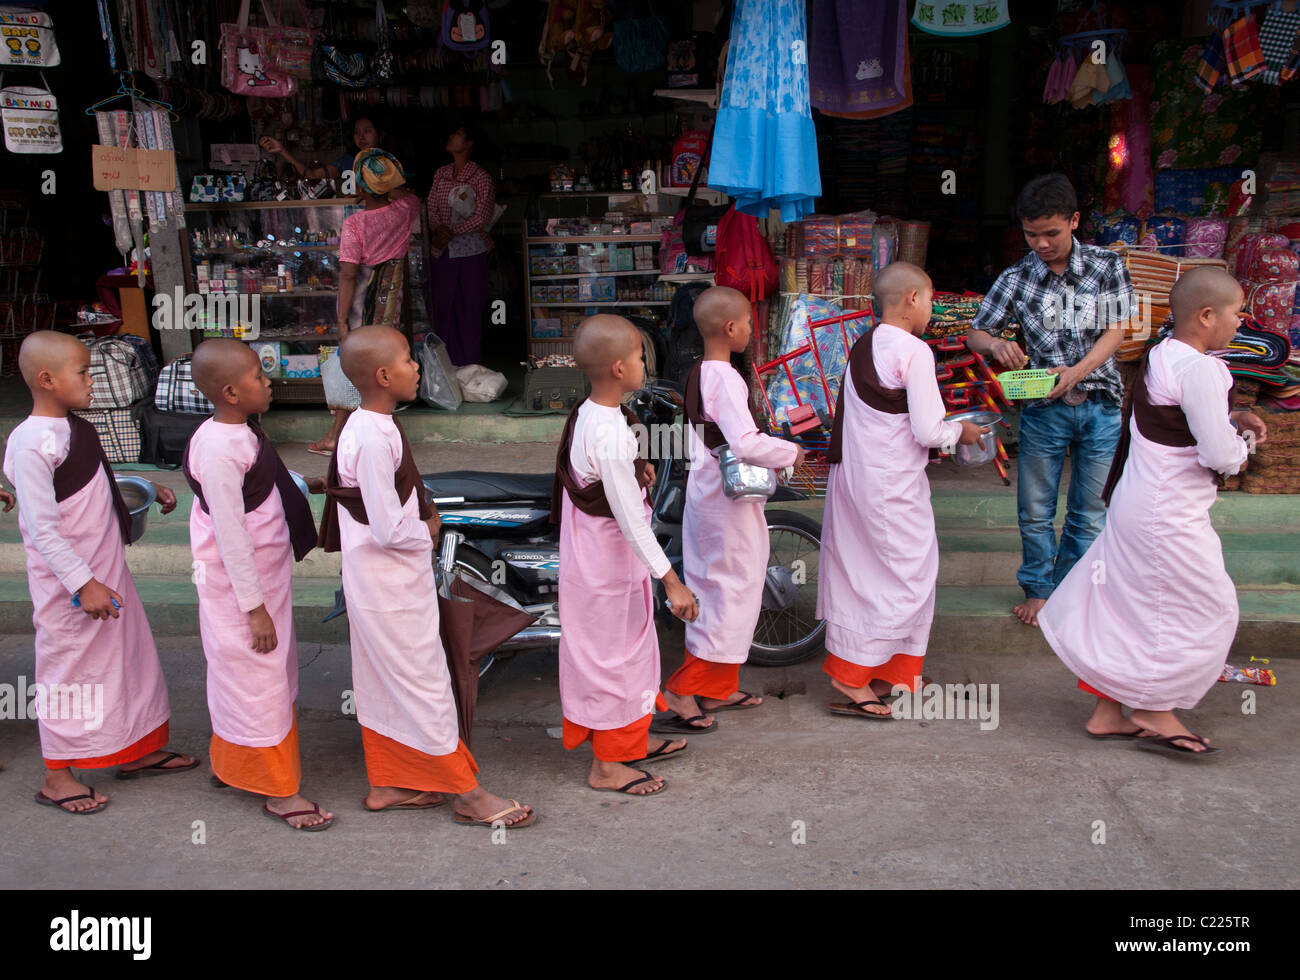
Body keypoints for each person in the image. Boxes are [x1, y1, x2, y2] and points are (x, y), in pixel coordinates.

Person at [1039, 268, 1266, 755]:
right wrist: (1241, 440)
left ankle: (1107, 714)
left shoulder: (1163, 355)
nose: (1241, 321)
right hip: (1169, 515)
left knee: (1129, 607)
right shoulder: (1202, 368)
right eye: (1235, 312)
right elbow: (1221, 456)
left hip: (1136, 503)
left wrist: (1229, 418)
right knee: (1205, 607)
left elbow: (1187, 416)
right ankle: (1153, 706)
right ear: (1206, 316)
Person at [318, 325, 535, 827]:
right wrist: (430, 529)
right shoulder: (372, 435)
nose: (418, 369)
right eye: (409, 361)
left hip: (376, 580)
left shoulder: (365, 424)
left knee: (381, 681)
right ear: (382, 374)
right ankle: (467, 792)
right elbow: (390, 529)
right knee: (425, 683)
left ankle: (388, 784)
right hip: (388, 582)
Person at [4, 332, 196, 814]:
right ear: (47, 380)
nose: (95, 382)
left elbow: (94, 479)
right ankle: (56, 774)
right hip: (72, 585)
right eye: (85, 373)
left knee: (128, 659)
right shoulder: (30, 444)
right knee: (69, 670)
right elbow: (43, 530)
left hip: (105, 570)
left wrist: (147, 484)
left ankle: (135, 749)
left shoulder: (73, 426)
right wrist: (82, 583)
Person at [817, 264, 989, 718]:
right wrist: (964, 431)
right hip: (890, 483)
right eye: (931, 300)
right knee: (908, 575)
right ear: (913, 298)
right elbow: (930, 430)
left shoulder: (864, 342)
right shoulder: (914, 350)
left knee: (869, 574)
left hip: (855, 478)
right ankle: (850, 675)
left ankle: (891, 670)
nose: (932, 310)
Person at [967, 173, 1135, 627]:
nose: (1040, 243)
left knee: (1090, 509)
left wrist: (1078, 371)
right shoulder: (1016, 277)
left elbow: (1117, 330)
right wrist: (994, 346)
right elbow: (976, 330)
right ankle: (1041, 592)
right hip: (1042, 411)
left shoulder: (1106, 265)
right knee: (1036, 509)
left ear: (1075, 221)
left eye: (1051, 233)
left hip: (1101, 404)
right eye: (1030, 234)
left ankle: (1075, 593)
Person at [184, 340, 334, 830]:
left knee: (248, 675)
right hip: (241, 591)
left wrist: (296, 481)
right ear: (230, 391)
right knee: (258, 681)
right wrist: (254, 608)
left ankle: (236, 766)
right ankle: (278, 789)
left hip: (264, 579)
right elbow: (230, 532)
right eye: (257, 375)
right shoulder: (218, 449)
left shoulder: (239, 433)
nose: (268, 380)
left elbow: (260, 482)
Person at [555, 315, 699, 794]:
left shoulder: (590, 412)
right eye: (640, 357)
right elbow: (630, 518)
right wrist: (671, 579)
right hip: (608, 560)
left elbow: (607, 481)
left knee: (629, 653)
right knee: (615, 659)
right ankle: (608, 765)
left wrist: (638, 470)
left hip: (594, 553)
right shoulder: (612, 432)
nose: (644, 364)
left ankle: (631, 743)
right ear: (619, 368)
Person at [656, 286, 803, 734]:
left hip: (712, 492)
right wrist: (789, 451)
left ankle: (718, 688)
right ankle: (684, 689)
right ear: (731, 327)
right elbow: (744, 443)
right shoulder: (723, 376)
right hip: (724, 502)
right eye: (749, 323)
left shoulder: (701, 369)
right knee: (729, 595)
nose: (753, 329)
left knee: (727, 591)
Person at [311, 147, 420, 457]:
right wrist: (381, 182)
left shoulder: (356, 225)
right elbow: (404, 194)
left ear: (360, 185)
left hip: (361, 303)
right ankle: (365, 431)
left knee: (355, 367)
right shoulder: (406, 208)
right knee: (378, 368)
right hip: (389, 305)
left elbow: (347, 276)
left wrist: (342, 321)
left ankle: (337, 433)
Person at [426, 122, 496, 365]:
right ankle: (443, 367)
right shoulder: (440, 174)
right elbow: (431, 207)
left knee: (469, 310)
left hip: (471, 253)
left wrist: (451, 231)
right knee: (442, 309)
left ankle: (469, 365)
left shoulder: (481, 178)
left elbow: (482, 217)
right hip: (442, 251)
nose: (451, 137)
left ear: (468, 144)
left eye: (457, 134)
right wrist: (439, 229)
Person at [258, 116, 388, 182]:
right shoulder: (348, 161)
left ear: (380, 135)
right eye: (357, 132)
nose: (361, 137)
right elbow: (312, 175)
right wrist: (282, 151)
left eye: (367, 131)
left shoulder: (390, 163)